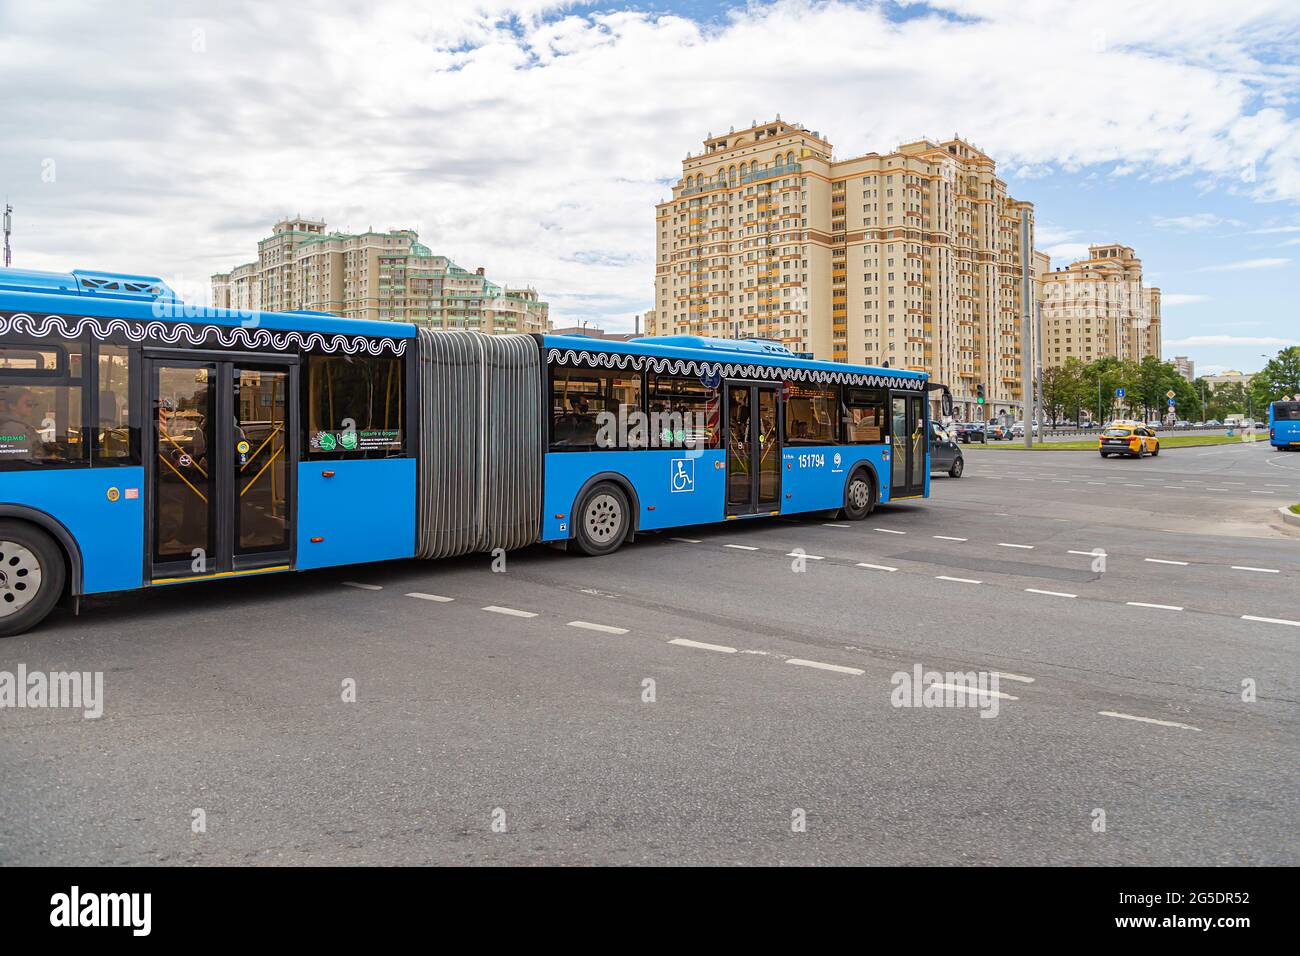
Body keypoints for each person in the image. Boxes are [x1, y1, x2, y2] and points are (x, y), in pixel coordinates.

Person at [0, 388, 40, 459]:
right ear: (12, 406)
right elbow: (24, 459)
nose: (32, 406)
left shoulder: (21, 426)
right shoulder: (13, 429)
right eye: (28, 403)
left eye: (33, 403)